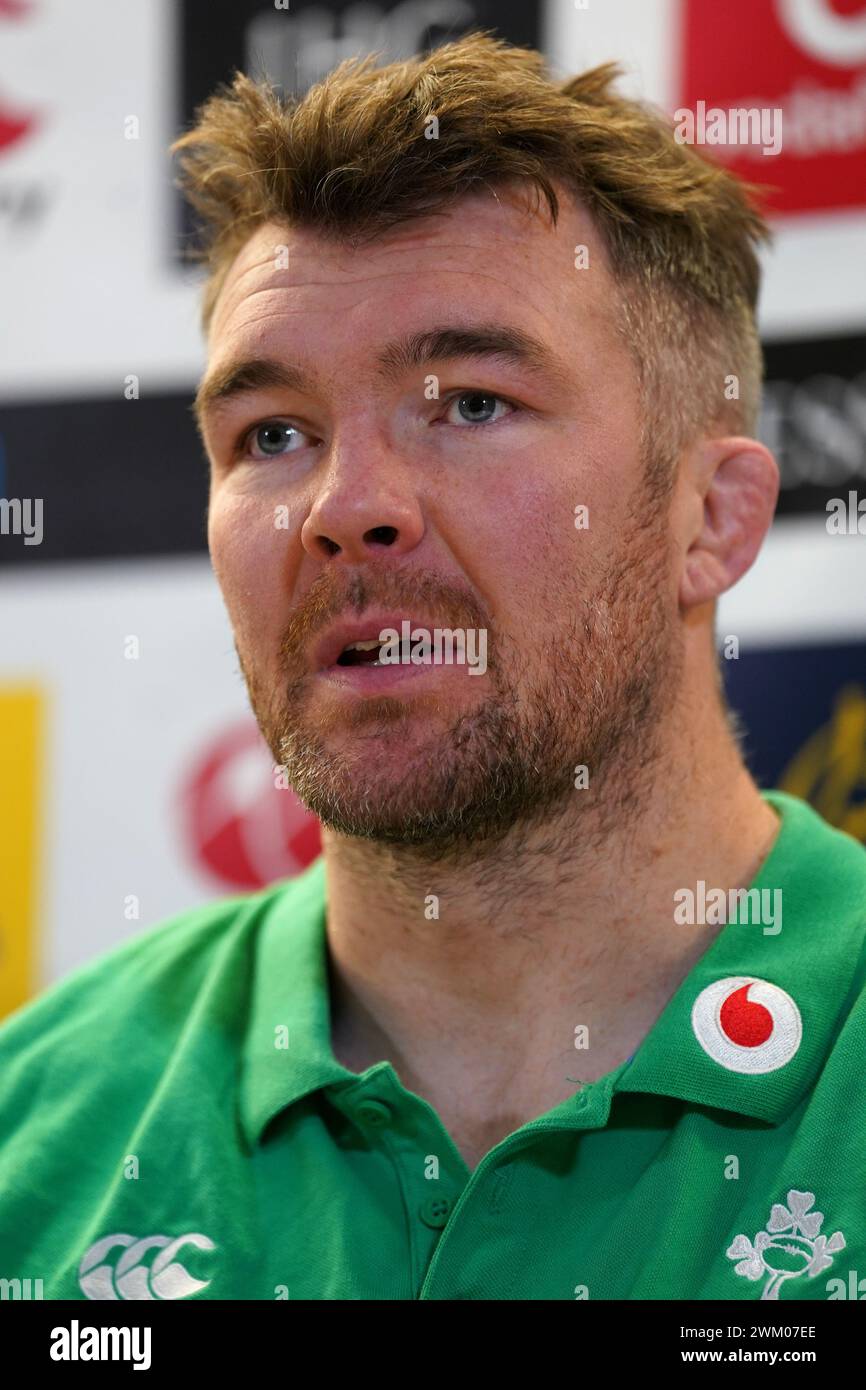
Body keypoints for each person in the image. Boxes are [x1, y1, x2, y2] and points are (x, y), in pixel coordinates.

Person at [1, 32, 864, 1303]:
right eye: (273, 433)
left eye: (468, 402)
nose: (344, 509)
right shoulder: (44, 1124)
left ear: (712, 519)